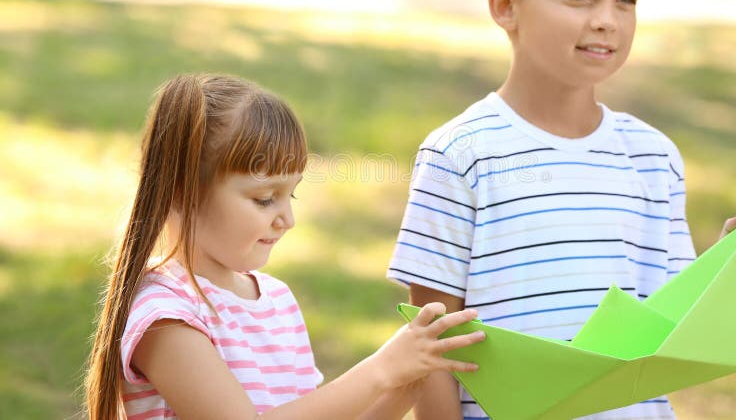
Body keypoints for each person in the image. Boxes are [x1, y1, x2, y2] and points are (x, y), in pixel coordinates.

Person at [385, 0, 736, 419]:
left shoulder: (654, 158)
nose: (607, 19)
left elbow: (666, 326)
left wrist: (728, 280)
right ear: (506, 5)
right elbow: (430, 346)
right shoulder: (459, 155)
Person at [84, 74, 486, 420]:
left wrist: (405, 385)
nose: (287, 220)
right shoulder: (166, 316)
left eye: (290, 195)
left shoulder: (276, 300)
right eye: (264, 199)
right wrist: (381, 370)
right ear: (181, 191)